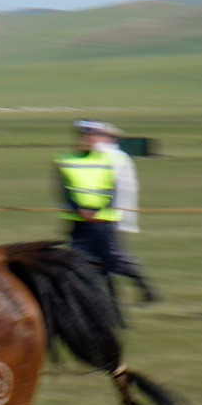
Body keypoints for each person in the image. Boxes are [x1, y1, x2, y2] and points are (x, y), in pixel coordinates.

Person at [88, 120, 159, 304]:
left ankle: (143, 288)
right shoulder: (121, 156)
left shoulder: (105, 155)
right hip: (117, 215)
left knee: (112, 259)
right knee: (106, 259)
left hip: (108, 216)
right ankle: (122, 294)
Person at [54, 122, 128, 293]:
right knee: (77, 267)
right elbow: (63, 189)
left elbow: (111, 189)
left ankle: (111, 303)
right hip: (80, 224)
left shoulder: (108, 160)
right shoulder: (64, 159)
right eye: (84, 136)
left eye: (92, 136)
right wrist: (79, 209)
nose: (88, 139)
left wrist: (95, 210)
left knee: (107, 269)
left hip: (103, 223)